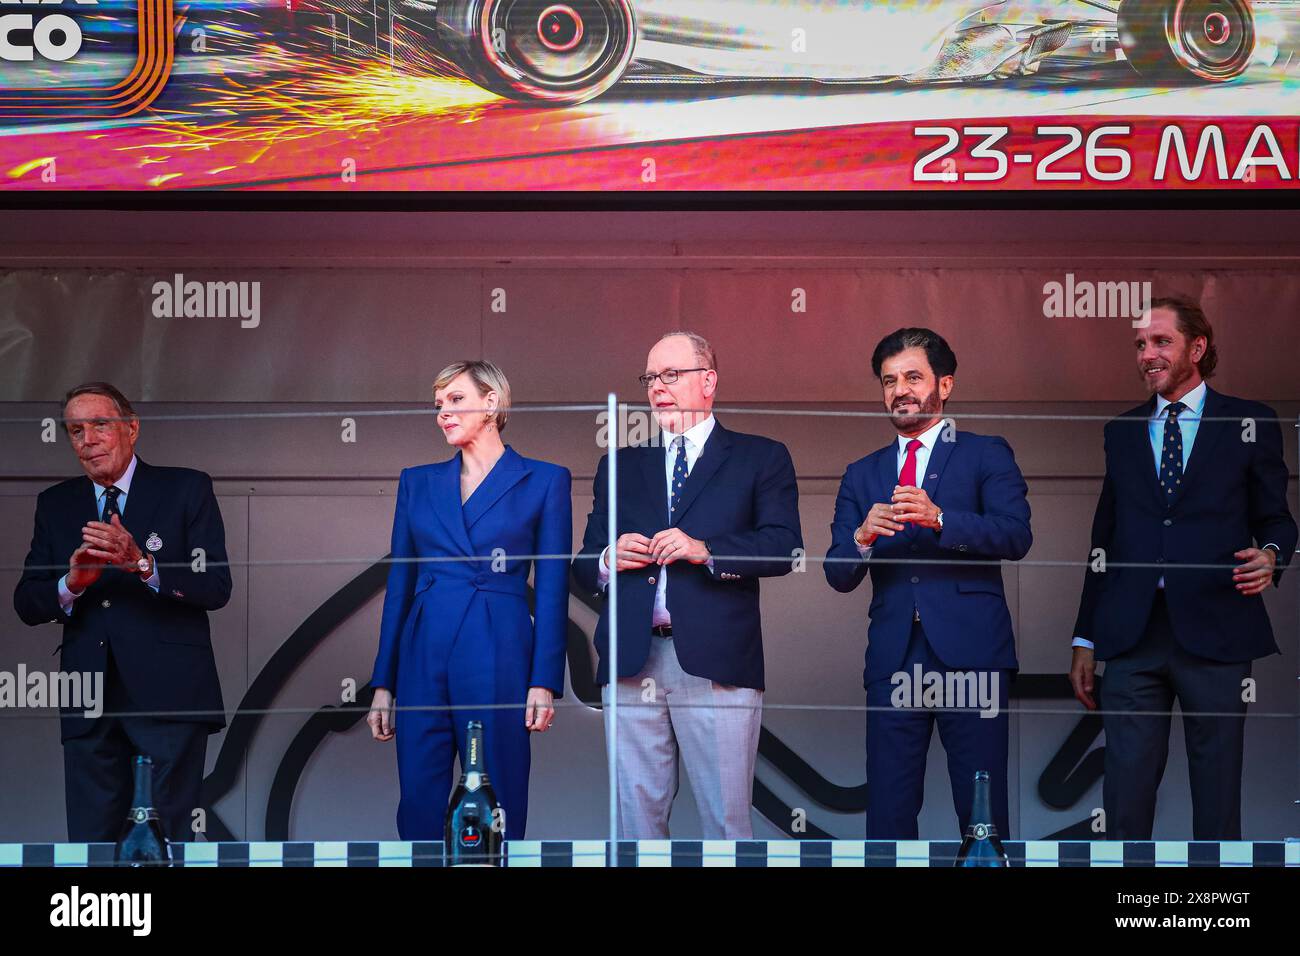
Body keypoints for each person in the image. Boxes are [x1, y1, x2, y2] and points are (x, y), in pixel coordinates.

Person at [1069, 296, 1295, 840]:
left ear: (1198, 346)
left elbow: (1278, 520)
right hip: (1131, 632)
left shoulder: (1250, 421)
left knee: (1217, 791)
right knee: (1125, 791)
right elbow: (1105, 539)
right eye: (1141, 344)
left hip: (1217, 628)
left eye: (1161, 341)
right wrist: (1085, 637)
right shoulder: (1121, 431)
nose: (1148, 353)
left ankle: (1212, 912)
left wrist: (1271, 556)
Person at [572, 331, 802, 839]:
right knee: (636, 826)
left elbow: (785, 548)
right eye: (650, 377)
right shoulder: (620, 465)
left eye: (670, 375)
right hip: (632, 659)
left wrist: (708, 550)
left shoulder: (759, 457)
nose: (657, 387)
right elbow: (583, 564)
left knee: (726, 823)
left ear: (709, 381)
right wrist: (611, 559)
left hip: (717, 659)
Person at [825, 329, 1031, 840]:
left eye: (913, 377)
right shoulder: (861, 473)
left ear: (946, 384)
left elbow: (1017, 535)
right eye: (889, 381)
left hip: (973, 653)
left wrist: (943, 520)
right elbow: (836, 571)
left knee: (982, 813)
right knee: (889, 816)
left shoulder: (985, 453)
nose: (901, 390)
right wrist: (862, 537)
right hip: (894, 657)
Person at [14, 382, 231, 842]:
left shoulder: (187, 488)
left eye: (99, 425)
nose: (87, 439)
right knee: (92, 841)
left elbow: (215, 586)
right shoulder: (55, 503)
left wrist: (143, 565)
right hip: (88, 695)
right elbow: (26, 602)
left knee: (168, 836)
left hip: (171, 695)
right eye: (75, 430)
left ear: (131, 428)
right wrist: (70, 585)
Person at [367, 361, 570, 840]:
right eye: (439, 404)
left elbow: (555, 584)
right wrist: (384, 682)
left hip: (498, 649)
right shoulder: (417, 481)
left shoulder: (544, 479)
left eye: (456, 399)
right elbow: (400, 586)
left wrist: (544, 680)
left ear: (493, 403)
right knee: (419, 799)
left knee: (496, 796)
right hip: (424, 651)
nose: (443, 412)